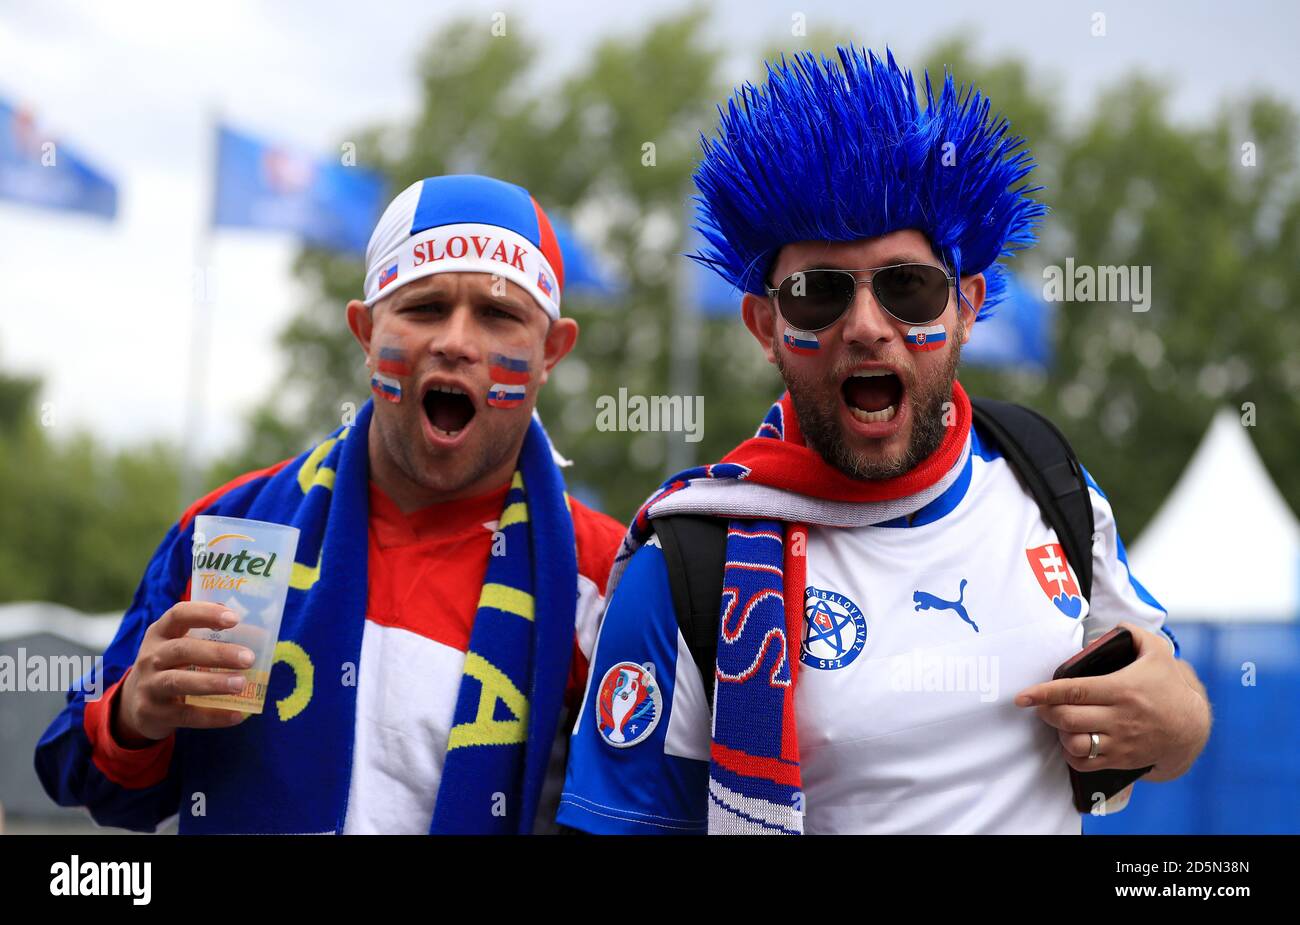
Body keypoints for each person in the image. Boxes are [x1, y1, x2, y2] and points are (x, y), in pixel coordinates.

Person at [559, 47, 1212, 835]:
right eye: (817, 294)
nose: (867, 327)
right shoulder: (690, 561)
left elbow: (1163, 693)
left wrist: (1180, 719)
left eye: (908, 287)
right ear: (766, 325)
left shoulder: (1048, 479)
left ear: (968, 304)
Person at [36, 174, 626, 834]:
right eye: (425, 307)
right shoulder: (239, 533)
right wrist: (131, 716)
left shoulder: (606, 576)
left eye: (498, 315)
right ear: (366, 331)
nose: (457, 341)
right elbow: (82, 777)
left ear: (551, 351)